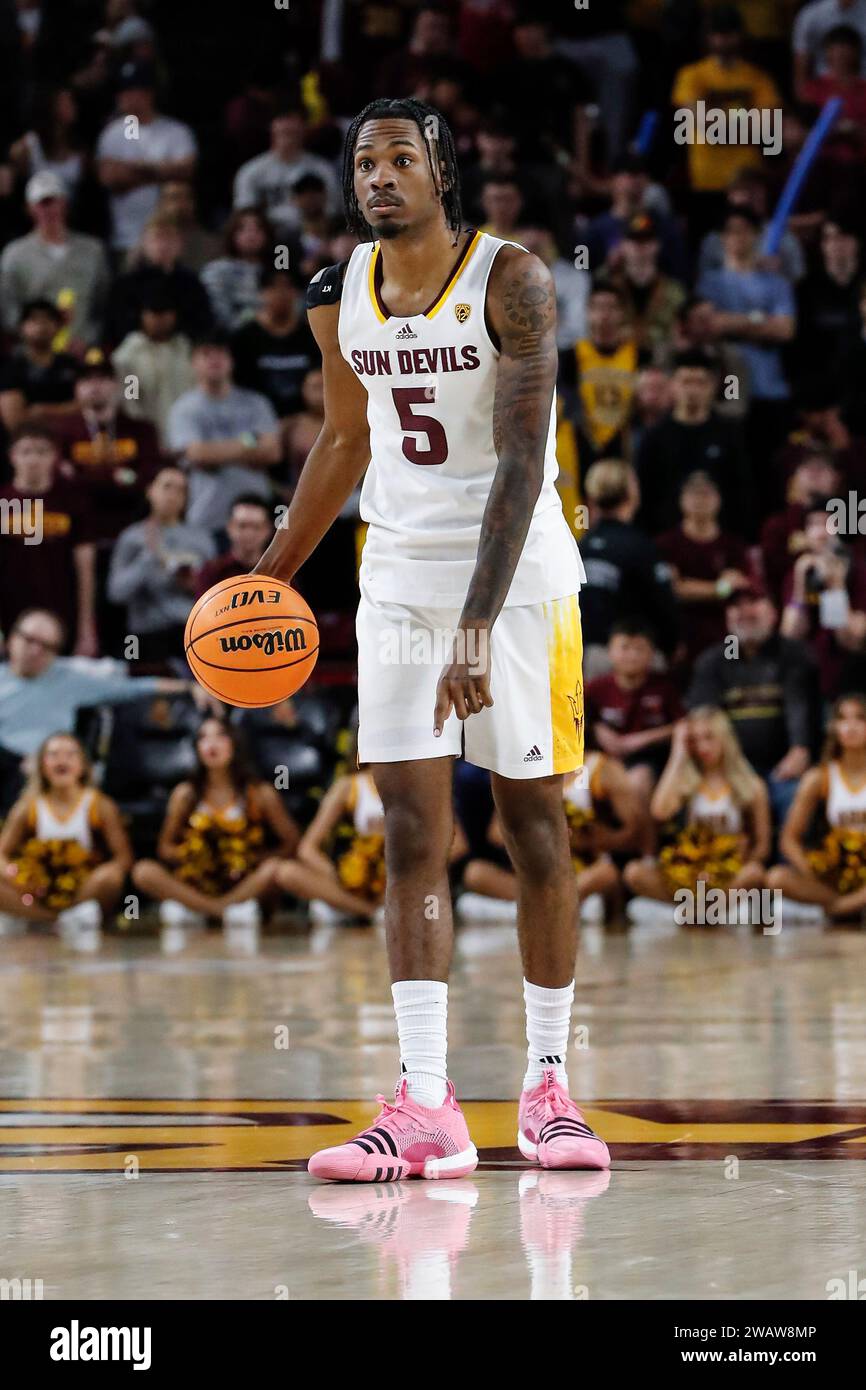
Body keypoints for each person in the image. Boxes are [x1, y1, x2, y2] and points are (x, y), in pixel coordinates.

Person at [252, 97, 609, 1180]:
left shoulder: (513, 280)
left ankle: (548, 1085)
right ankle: (424, 1103)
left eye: (399, 157)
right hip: (397, 579)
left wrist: (477, 620)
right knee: (408, 831)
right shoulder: (337, 294)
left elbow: (518, 461)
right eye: (363, 160)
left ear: (441, 171)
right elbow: (345, 438)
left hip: (519, 582)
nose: (377, 176)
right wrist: (264, 580)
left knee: (530, 825)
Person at [0, 608, 189, 816]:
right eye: (29, 640)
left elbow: (132, 687)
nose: (35, 650)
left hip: (48, 769)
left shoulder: (70, 677)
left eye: (46, 646)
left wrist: (190, 688)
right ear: (12, 637)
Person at [131, 717, 298, 932]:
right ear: (197, 748)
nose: (211, 744)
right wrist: (197, 855)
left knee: (275, 869)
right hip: (198, 881)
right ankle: (220, 911)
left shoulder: (260, 792)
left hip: (243, 882)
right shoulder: (186, 794)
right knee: (143, 871)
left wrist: (249, 857)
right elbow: (164, 848)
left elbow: (291, 844)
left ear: (235, 744)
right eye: (203, 738)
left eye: (220, 736)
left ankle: (202, 910)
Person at [687, 582, 818, 823]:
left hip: (782, 767)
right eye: (736, 606)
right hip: (730, 767)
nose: (745, 612)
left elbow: (799, 705)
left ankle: (787, 861)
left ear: (773, 611)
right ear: (727, 616)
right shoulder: (722, 655)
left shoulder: (791, 652)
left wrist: (800, 749)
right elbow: (704, 715)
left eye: (754, 603)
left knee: (793, 796)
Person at [624, 708, 771, 921]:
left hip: (730, 875)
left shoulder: (752, 785)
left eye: (709, 738)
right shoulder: (687, 782)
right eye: (694, 740)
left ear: (725, 738)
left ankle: (695, 914)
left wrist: (736, 863)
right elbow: (659, 811)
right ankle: (704, 913)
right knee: (634, 872)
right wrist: (678, 754)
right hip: (689, 875)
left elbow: (763, 847)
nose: (702, 747)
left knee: (754, 873)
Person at [461, 750, 642, 921]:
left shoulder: (599, 766)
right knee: (475, 872)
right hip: (538, 867)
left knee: (606, 873)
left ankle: (532, 909)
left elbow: (634, 832)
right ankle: (553, 907)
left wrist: (592, 840)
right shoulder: (523, 768)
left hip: (585, 866)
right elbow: (496, 833)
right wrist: (539, 839)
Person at [0, 732, 132, 946]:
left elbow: (123, 859)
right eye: (53, 755)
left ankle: (49, 918)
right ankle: (52, 919)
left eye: (70, 755)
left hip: (83, 888)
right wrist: (15, 877)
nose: (62, 761)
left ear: (82, 765)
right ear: (42, 765)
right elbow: (1, 854)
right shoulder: (28, 807)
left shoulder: (100, 805)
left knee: (111, 877)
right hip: (38, 891)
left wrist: (97, 875)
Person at [671, 6, 781, 233]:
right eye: (717, 34)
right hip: (705, 180)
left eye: (728, 33)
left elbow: (770, 128)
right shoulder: (691, 75)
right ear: (708, 37)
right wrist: (745, 123)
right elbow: (698, 121)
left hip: (748, 183)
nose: (722, 40)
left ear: (739, 35)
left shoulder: (758, 77)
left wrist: (716, 124)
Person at [166, 334, 281, 533]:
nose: (214, 359)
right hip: (207, 517)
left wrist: (215, 454)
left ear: (231, 360)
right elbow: (196, 454)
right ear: (193, 362)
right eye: (206, 354)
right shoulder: (183, 409)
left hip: (257, 517)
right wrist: (250, 442)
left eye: (220, 353)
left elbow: (272, 452)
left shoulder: (256, 403)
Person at [769, 693, 866, 923]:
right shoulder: (819, 777)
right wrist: (815, 872)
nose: (851, 727)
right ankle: (848, 906)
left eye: (860, 718)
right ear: (833, 726)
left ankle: (841, 908)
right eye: (843, 719)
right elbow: (788, 839)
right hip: (836, 874)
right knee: (776, 878)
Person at [0, 423, 96, 655]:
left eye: (42, 451)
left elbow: (85, 567)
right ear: (12, 456)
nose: (33, 459)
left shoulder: (73, 501)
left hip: (62, 614)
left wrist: (87, 629)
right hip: (10, 614)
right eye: (26, 451)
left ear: (54, 456)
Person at [636, 349, 753, 536]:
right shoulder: (654, 437)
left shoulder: (729, 435)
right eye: (686, 382)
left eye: (700, 382)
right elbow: (645, 496)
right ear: (672, 385)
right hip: (665, 541)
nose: (692, 390)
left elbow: (741, 494)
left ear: (713, 386)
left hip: (720, 541)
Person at [51, 354, 162, 546]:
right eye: (87, 380)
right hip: (80, 536)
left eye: (102, 379)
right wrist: (119, 476)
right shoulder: (61, 432)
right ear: (76, 388)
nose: (95, 386)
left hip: (132, 528)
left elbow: (148, 481)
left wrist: (80, 474)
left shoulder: (143, 430)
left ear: (117, 386)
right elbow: (61, 485)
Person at [107, 466, 215, 664]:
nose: (173, 495)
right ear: (151, 491)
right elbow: (116, 593)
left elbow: (215, 594)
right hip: (147, 634)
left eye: (181, 490)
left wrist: (194, 585)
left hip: (192, 632)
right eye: (167, 487)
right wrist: (148, 560)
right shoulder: (132, 538)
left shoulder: (202, 539)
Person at [579, 460, 679, 672]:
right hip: (637, 656)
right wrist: (673, 645)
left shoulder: (581, 546)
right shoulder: (640, 546)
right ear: (631, 494)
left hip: (590, 657)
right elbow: (663, 604)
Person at [96, 60, 198, 255]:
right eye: (123, 90)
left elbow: (185, 171)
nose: (124, 96)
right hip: (126, 239)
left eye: (132, 90)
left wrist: (135, 169)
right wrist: (161, 172)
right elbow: (110, 178)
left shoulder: (175, 131)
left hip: (172, 240)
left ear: (148, 93)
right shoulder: (113, 133)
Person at [0, 170, 110, 346]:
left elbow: (103, 305)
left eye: (53, 202)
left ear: (65, 204)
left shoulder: (93, 251)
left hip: (83, 349)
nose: (48, 210)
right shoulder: (14, 255)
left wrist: (89, 340)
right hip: (35, 353)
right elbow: (9, 310)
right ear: (30, 208)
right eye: (42, 204)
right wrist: (37, 341)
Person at [586, 621, 684, 807]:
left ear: (652, 654)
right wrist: (598, 729)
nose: (631, 655)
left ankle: (642, 835)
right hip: (603, 759)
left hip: (648, 759)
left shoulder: (665, 687)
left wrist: (641, 739)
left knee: (638, 782)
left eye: (639, 649)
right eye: (624, 647)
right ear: (610, 651)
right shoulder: (595, 688)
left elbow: (683, 724)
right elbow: (579, 720)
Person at [657, 471, 750, 664]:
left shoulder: (732, 545)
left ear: (718, 499)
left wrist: (694, 587)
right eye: (693, 494)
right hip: (683, 636)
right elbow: (675, 589)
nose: (700, 500)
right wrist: (719, 588)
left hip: (725, 636)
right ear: (682, 500)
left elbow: (740, 586)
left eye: (706, 494)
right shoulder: (667, 544)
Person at [275, 766, 387, 923]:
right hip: (351, 873)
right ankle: (368, 911)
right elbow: (307, 848)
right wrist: (337, 876)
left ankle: (349, 908)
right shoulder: (349, 785)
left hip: (393, 874)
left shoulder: (411, 783)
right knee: (286, 872)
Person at [779, 500, 866, 698]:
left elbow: (850, 640)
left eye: (829, 523)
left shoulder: (859, 571)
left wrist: (835, 587)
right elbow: (790, 636)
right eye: (813, 524)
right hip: (806, 679)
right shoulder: (797, 573)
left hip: (850, 677)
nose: (821, 531)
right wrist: (801, 585)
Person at [560, 286, 638, 467]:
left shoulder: (638, 354)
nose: (605, 315)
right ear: (588, 312)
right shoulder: (570, 356)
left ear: (622, 313)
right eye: (598, 307)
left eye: (611, 308)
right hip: (582, 437)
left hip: (625, 438)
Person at [230, 268, 319, 424]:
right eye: (273, 287)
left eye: (288, 286)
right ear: (261, 292)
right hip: (254, 421)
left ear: (297, 292)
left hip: (304, 420)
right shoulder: (243, 338)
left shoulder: (314, 334)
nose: (281, 293)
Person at [107, 212, 213, 344]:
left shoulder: (192, 284)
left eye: (169, 238)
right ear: (144, 244)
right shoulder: (125, 284)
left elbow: (203, 324)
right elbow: (115, 325)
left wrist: (172, 325)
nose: (163, 245)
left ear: (180, 244)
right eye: (157, 238)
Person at [232, 109, 340, 238]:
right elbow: (245, 212)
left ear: (303, 133)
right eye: (283, 133)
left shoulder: (321, 169)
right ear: (272, 133)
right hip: (269, 237)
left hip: (313, 235)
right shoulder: (251, 171)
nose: (288, 139)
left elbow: (333, 208)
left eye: (293, 133)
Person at [110, 284, 196, 443]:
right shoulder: (129, 356)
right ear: (143, 315)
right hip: (150, 436)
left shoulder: (186, 350)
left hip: (187, 435)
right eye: (153, 314)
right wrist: (144, 437)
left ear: (174, 315)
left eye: (165, 313)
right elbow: (131, 400)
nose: (159, 319)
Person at [594, 212, 686, 352]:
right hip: (614, 359)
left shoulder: (674, 291)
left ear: (657, 245)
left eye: (646, 241)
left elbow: (679, 336)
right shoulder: (607, 285)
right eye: (633, 240)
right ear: (623, 246)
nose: (640, 247)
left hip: (660, 361)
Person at [0, 299, 80, 433]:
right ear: (21, 327)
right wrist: (65, 410)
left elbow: (87, 407)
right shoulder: (9, 367)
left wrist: (43, 410)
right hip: (25, 442)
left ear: (59, 327)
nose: (41, 325)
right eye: (34, 320)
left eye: (48, 319)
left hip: (69, 437)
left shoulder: (71, 364)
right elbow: (14, 422)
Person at [200, 209, 277, 334]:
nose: (251, 235)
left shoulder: (277, 270)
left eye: (258, 229)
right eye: (243, 229)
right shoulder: (216, 271)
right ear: (232, 234)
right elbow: (219, 314)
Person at [194, 494, 274, 596]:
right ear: (229, 527)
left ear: (267, 530)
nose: (248, 533)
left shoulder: (279, 574)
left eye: (256, 527)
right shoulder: (212, 571)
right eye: (242, 526)